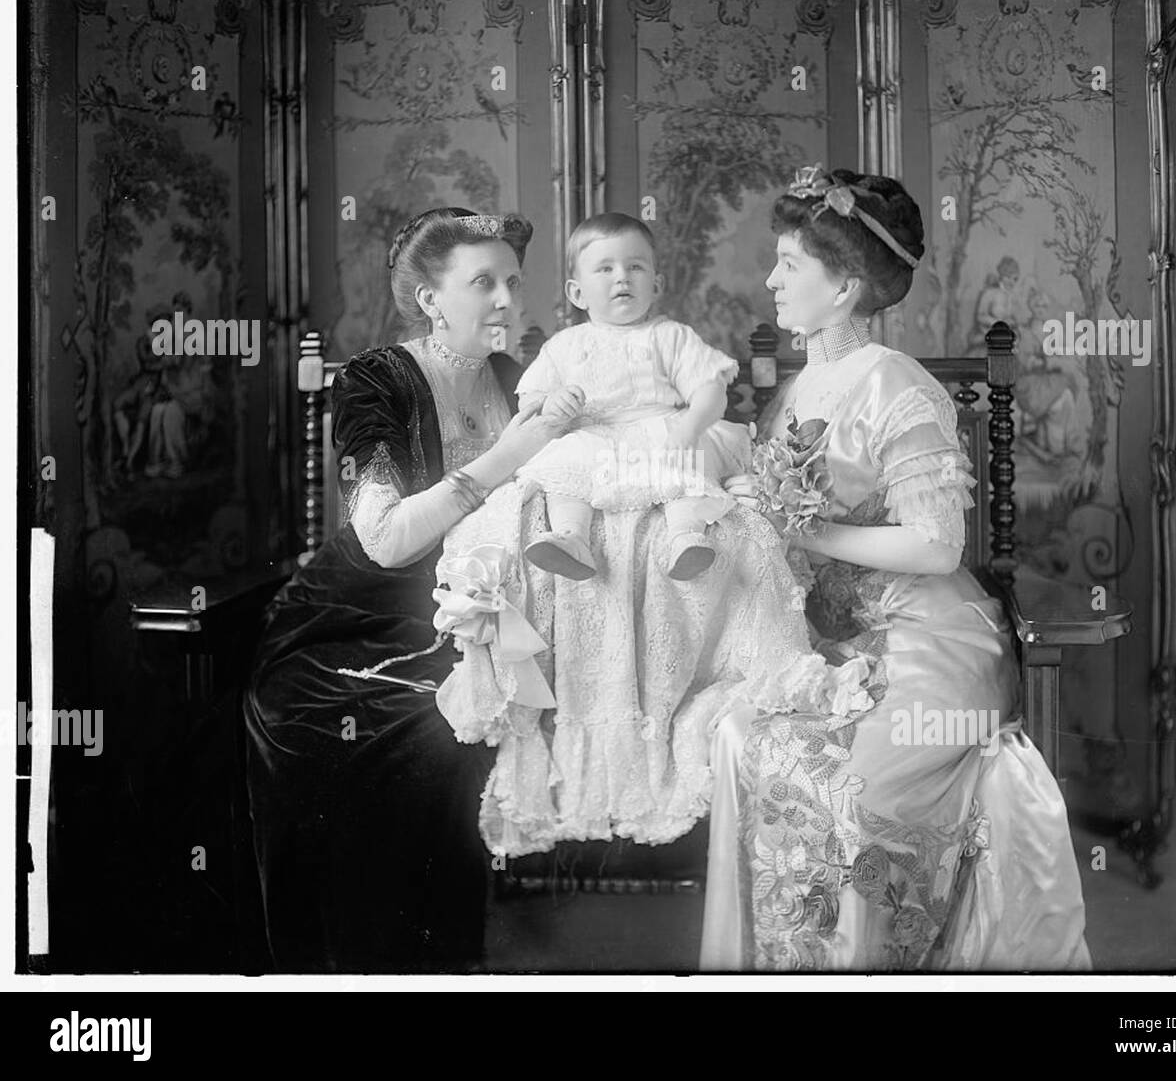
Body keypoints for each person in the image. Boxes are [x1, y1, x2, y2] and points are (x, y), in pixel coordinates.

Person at [700, 165, 1091, 971]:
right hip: (836, 644)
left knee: (849, 789)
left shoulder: (897, 385)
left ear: (843, 285)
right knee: (739, 733)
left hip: (926, 646)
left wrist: (809, 537)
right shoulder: (804, 381)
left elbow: (937, 545)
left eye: (789, 265)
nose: (770, 280)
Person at [243, 207, 568, 972]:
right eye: (481, 282)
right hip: (347, 631)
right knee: (430, 734)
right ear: (430, 299)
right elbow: (383, 539)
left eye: (513, 283)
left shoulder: (528, 382)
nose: (504, 301)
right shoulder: (374, 382)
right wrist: (506, 456)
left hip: (475, 619)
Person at [514, 213, 751, 582]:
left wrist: (690, 426)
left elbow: (710, 389)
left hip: (661, 432)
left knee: (692, 457)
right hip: (596, 437)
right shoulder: (564, 345)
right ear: (577, 293)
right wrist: (551, 402)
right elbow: (529, 397)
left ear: (656, 285)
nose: (622, 276)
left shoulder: (669, 335)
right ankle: (570, 537)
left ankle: (686, 536)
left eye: (635, 266)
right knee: (565, 458)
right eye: (605, 269)